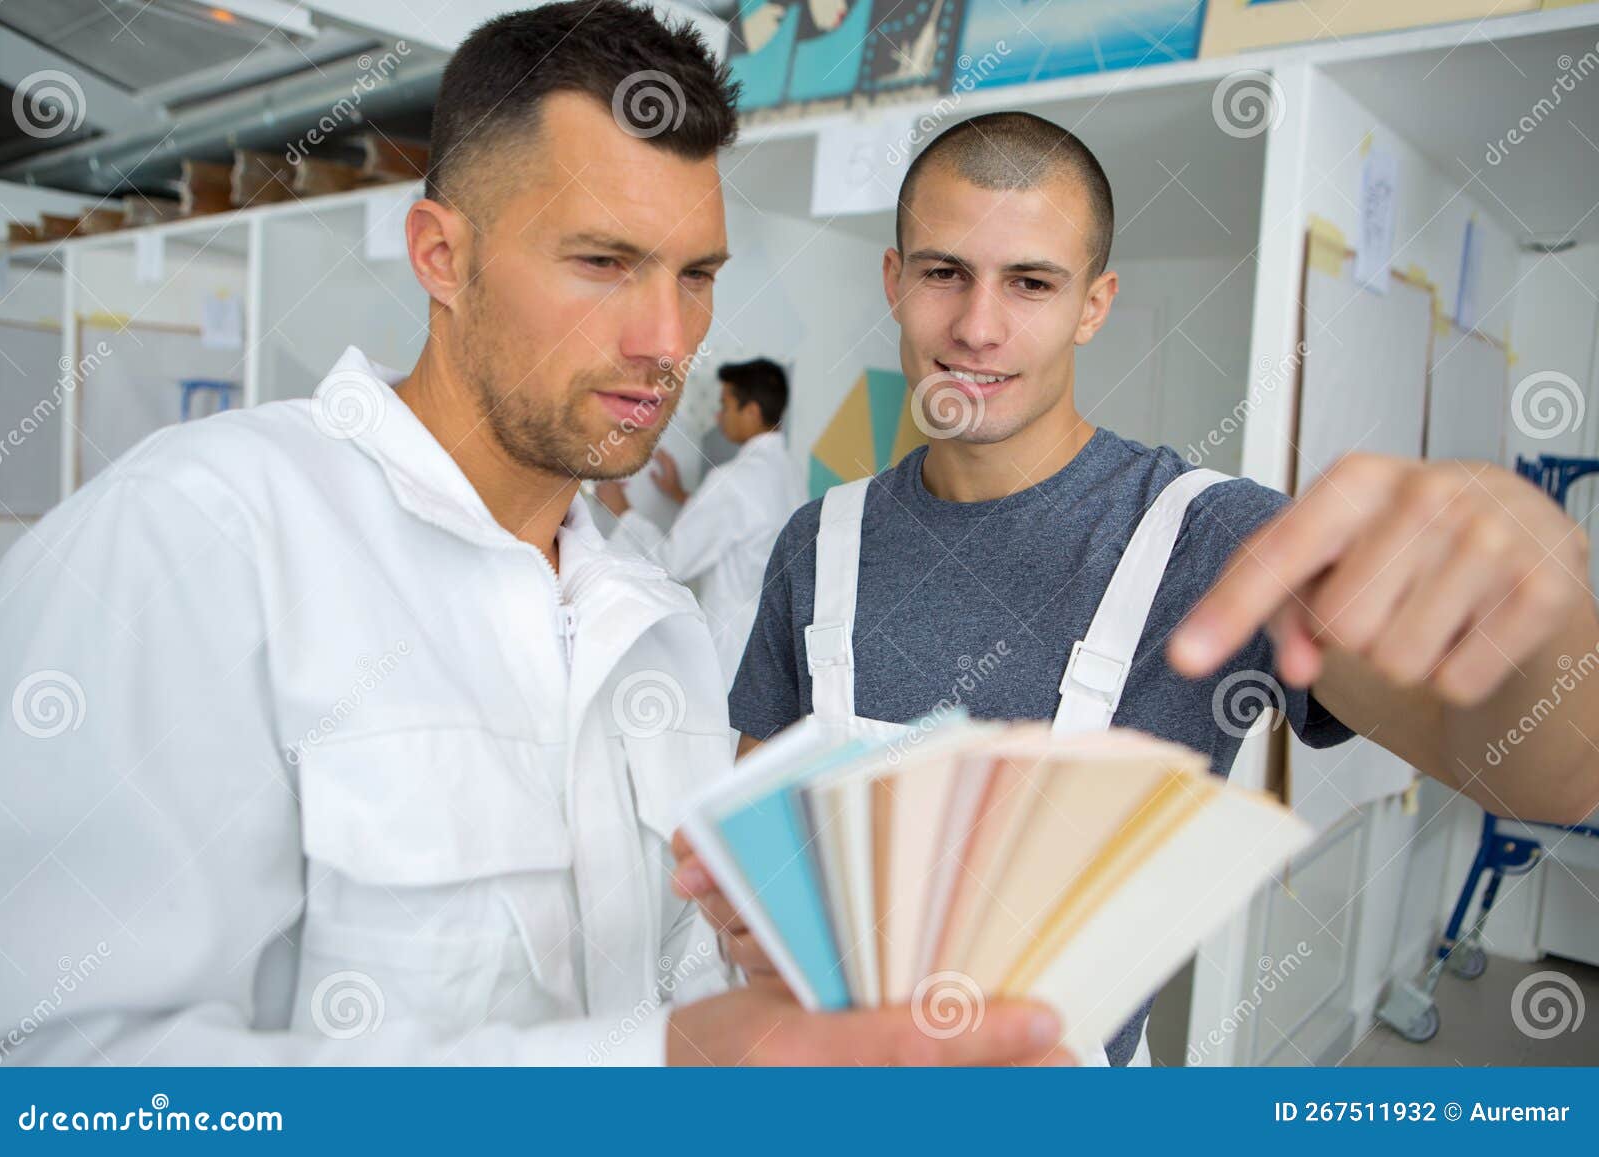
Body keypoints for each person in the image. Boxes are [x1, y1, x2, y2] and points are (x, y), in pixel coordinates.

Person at [0, 4, 1065, 1068]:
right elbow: (69, 1088)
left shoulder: (655, 622)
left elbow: (660, 997)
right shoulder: (195, 541)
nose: (667, 342)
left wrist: (779, 987)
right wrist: (667, 1061)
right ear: (441, 254)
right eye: (603, 261)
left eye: (696, 276)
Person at [675, 111, 1599, 1065]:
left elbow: (1556, 776)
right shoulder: (817, 541)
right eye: (944, 271)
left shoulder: (1219, 539)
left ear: (1095, 304)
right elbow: (758, 840)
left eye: (1031, 282)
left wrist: (1547, 615)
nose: (977, 326)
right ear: (895, 281)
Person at [596, 358, 802, 686]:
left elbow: (671, 563)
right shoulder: (789, 477)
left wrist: (622, 511)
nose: (718, 416)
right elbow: (746, 527)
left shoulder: (733, 480)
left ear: (751, 411)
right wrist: (681, 495)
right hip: (772, 654)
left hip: (729, 652)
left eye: (725, 405)